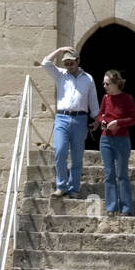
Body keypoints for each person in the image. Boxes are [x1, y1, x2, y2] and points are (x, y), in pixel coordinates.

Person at [40, 46, 99, 198]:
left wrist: (97, 119)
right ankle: (62, 186)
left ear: (78, 61)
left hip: (80, 119)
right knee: (59, 152)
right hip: (62, 118)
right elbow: (45, 63)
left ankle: (74, 188)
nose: (68, 66)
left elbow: (92, 100)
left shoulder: (88, 78)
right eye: (66, 63)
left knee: (77, 156)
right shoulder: (60, 74)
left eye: (71, 63)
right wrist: (60, 50)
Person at [95, 69, 135, 215]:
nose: (104, 86)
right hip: (105, 138)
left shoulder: (127, 98)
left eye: (107, 83)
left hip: (121, 139)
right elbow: (100, 115)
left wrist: (118, 122)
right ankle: (111, 207)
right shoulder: (106, 98)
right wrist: (104, 121)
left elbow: (133, 118)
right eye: (103, 83)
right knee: (109, 174)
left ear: (115, 84)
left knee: (122, 174)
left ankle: (126, 208)